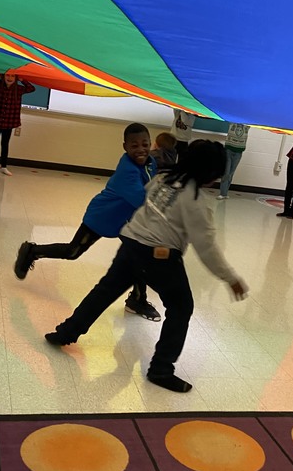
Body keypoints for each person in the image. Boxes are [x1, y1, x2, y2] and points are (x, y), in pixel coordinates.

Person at [44, 140, 248, 393]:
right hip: (159, 256)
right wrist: (230, 278)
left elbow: (145, 205)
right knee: (181, 307)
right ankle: (161, 369)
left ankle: (65, 333)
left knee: (105, 291)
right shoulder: (196, 201)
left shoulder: (162, 179)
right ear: (209, 171)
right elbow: (206, 248)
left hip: (131, 243)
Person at [14, 122, 161, 321]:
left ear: (151, 144)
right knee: (72, 252)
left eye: (145, 144)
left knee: (138, 256)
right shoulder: (127, 171)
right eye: (134, 146)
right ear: (125, 147)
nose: (141, 149)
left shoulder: (150, 163)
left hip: (126, 221)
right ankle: (32, 251)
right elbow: (143, 201)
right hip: (102, 217)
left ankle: (137, 300)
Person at [0, 71, 35, 176]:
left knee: (5, 144)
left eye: (13, 76)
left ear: (16, 78)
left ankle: (4, 166)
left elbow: (31, 88)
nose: (10, 78)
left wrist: (22, 80)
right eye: (7, 75)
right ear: (3, 76)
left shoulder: (19, 89)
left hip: (9, 121)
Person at [217, 123, 249, 199]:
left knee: (231, 173)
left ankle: (225, 193)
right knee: (226, 172)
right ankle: (222, 193)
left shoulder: (247, 124)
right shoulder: (233, 121)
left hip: (239, 151)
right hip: (229, 149)